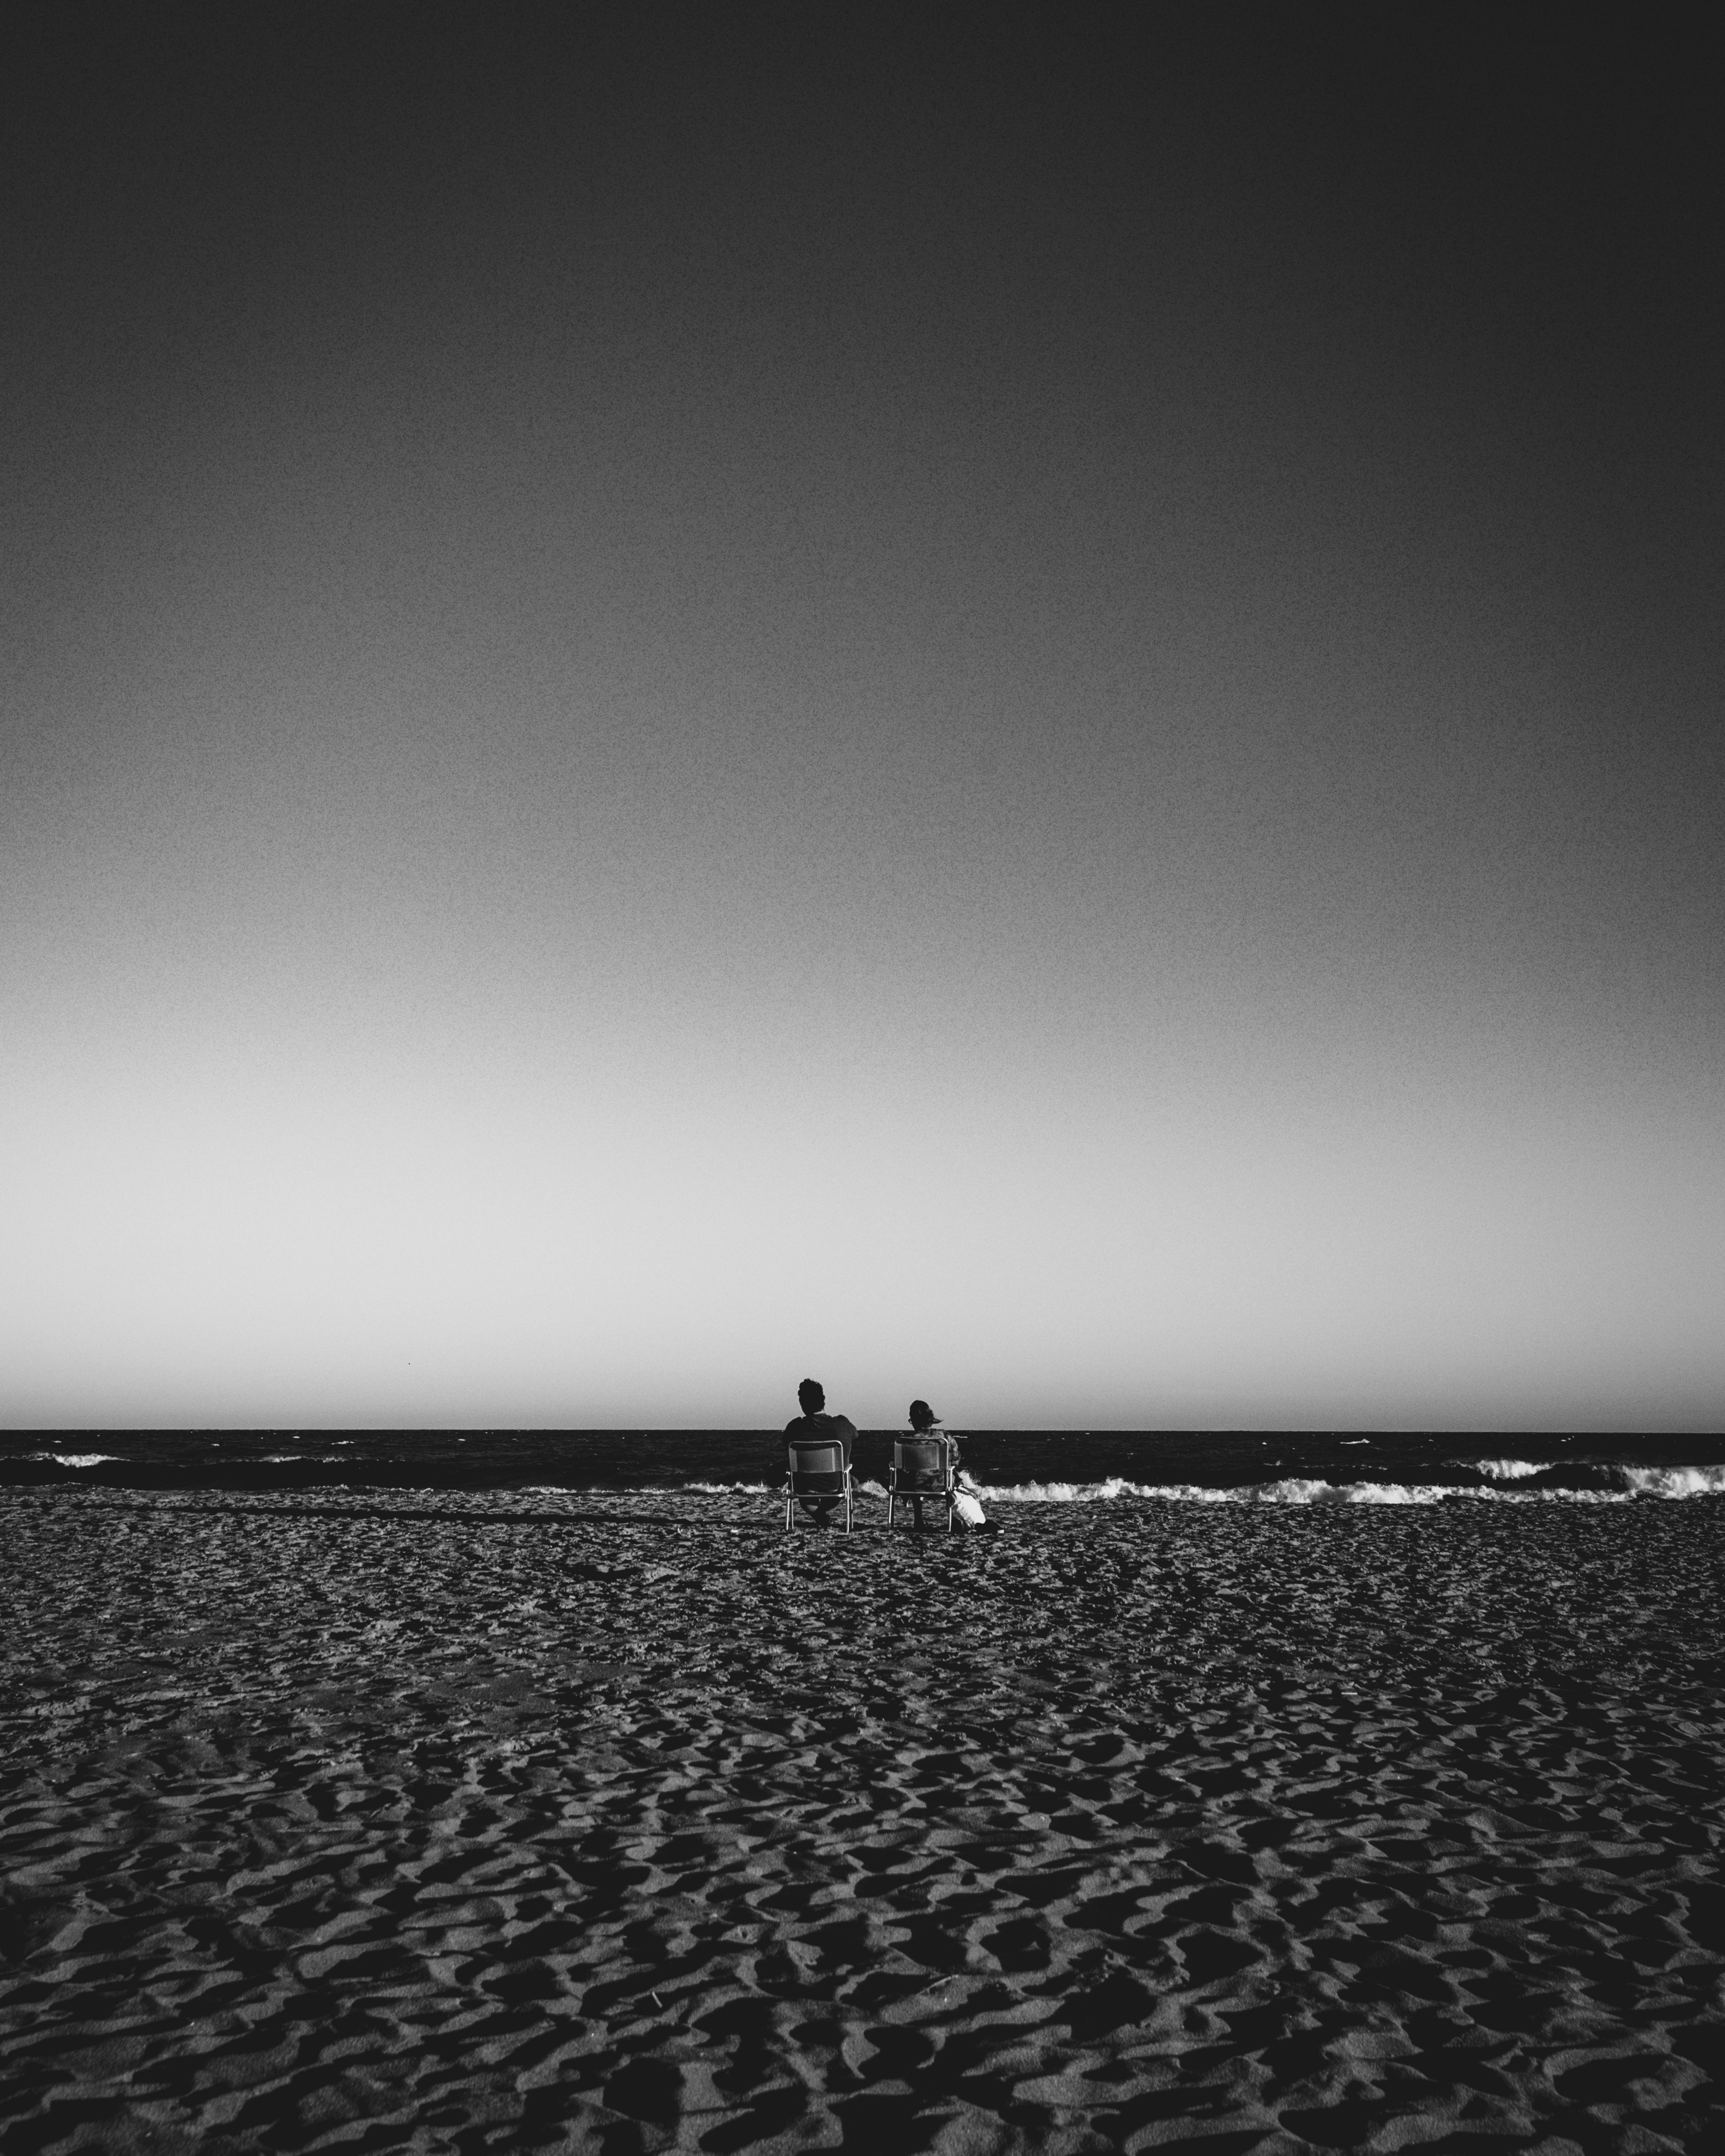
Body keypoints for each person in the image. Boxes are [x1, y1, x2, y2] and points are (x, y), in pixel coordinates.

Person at [783, 1378, 857, 1526]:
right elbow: (855, 1436)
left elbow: (785, 1443)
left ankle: (819, 1515)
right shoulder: (843, 1424)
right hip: (836, 1486)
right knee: (851, 1478)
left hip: (803, 1487)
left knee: (805, 1497)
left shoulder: (795, 1427)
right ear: (823, 1400)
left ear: (803, 1404)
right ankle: (821, 1513)